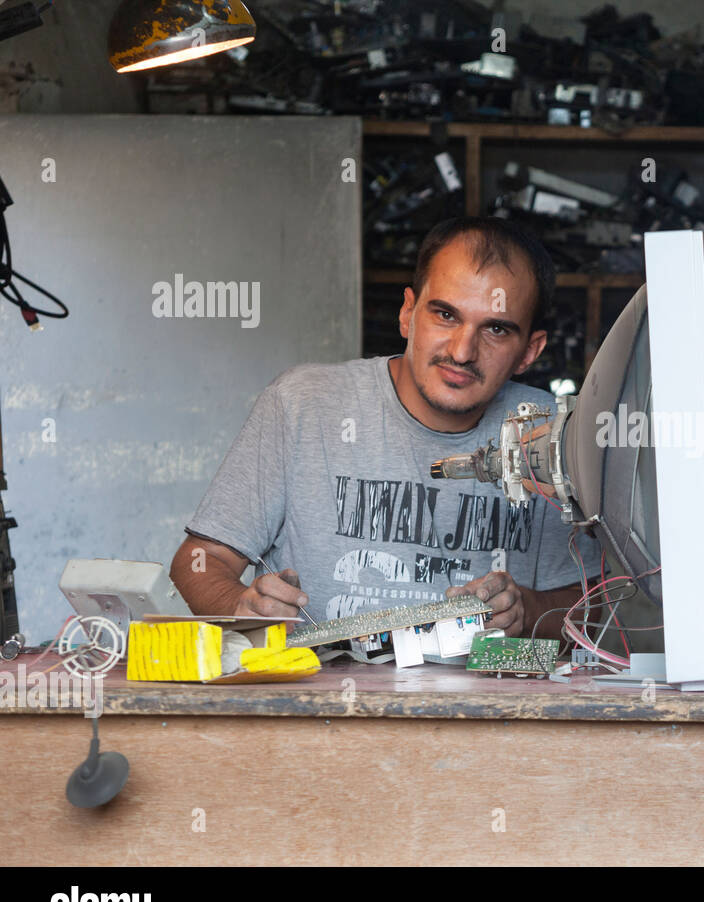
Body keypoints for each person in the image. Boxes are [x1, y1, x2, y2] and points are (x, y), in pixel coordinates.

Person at [169, 216, 600, 661]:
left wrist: (526, 610)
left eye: (496, 329)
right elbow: (199, 561)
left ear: (530, 350)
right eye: (445, 314)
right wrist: (241, 608)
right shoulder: (303, 404)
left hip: (483, 718)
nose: (462, 351)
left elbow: (591, 610)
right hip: (318, 712)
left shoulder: (552, 436)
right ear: (408, 313)